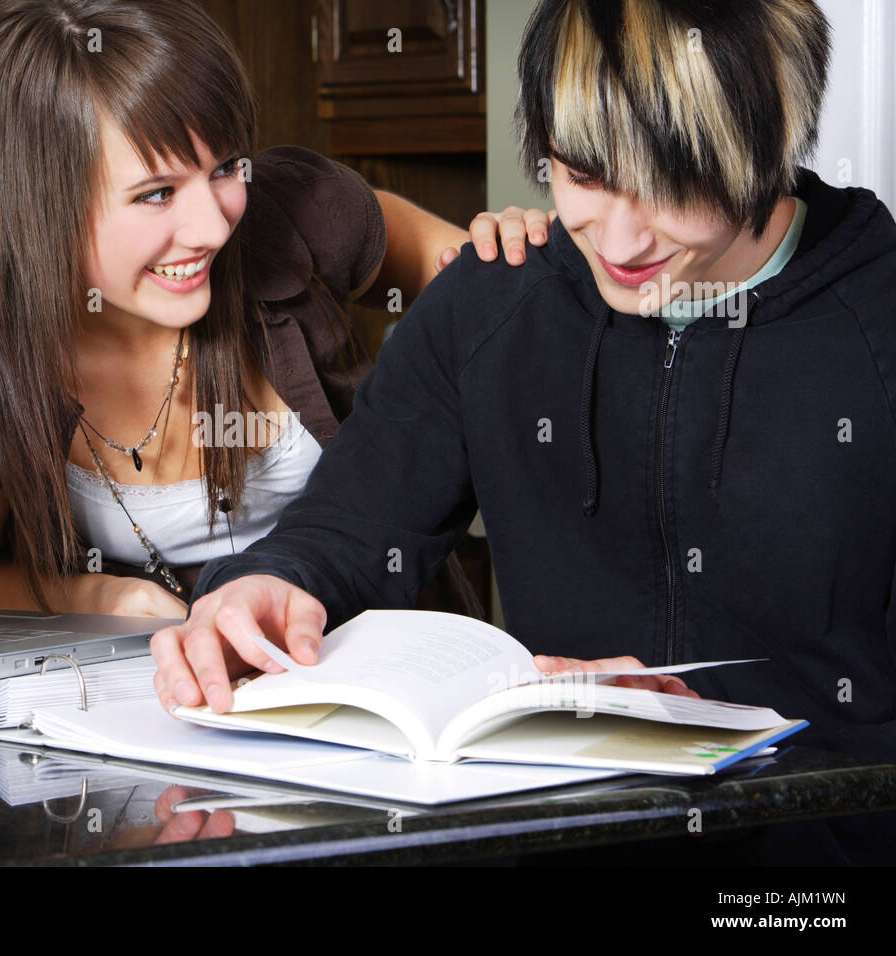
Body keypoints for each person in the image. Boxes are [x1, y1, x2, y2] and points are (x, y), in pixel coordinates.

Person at [151, 0, 896, 861]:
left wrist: (725, 722)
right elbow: (354, 523)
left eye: (673, 189)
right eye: (583, 176)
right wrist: (269, 582)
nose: (617, 239)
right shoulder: (492, 302)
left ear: (769, 146)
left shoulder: (878, 319)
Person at [0, 0, 547, 620]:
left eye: (226, 167)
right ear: (36, 208)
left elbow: (479, 291)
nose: (212, 226)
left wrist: (503, 249)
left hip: (383, 667)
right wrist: (92, 596)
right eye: (156, 194)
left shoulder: (298, 211)